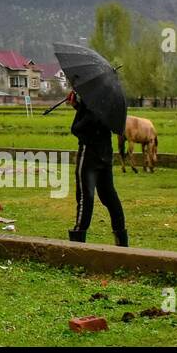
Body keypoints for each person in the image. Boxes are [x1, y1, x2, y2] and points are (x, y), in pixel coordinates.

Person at [67, 90, 128, 246]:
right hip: (106, 152)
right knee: (109, 196)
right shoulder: (108, 98)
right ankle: (121, 241)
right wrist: (77, 106)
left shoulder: (92, 97)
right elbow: (96, 119)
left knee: (84, 197)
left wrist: (79, 111)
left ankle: (77, 242)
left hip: (89, 153)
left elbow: (79, 127)